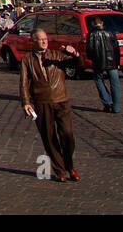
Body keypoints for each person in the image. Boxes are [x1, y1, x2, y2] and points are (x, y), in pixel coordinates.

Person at [20, 29, 82, 182]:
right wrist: (26, 102)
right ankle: (59, 169)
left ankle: (70, 165)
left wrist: (74, 53)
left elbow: (78, 65)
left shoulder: (56, 55)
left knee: (67, 134)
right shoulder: (27, 59)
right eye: (40, 39)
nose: (44, 41)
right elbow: (24, 83)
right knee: (49, 137)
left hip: (61, 100)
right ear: (33, 41)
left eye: (45, 39)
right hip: (42, 102)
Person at [86, 21, 122, 114]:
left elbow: (89, 50)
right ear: (101, 23)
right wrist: (117, 61)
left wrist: (92, 58)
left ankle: (107, 102)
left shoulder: (91, 34)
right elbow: (116, 48)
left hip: (98, 62)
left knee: (99, 80)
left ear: (92, 24)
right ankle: (116, 106)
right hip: (112, 61)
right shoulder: (110, 32)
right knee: (115, 83)